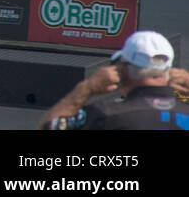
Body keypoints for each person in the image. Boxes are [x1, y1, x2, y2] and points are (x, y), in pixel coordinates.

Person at [41, 30, 189, 130]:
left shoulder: (106, 114)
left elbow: (49, 127)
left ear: (123, 70)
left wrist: (85, 89)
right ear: (170, 71)